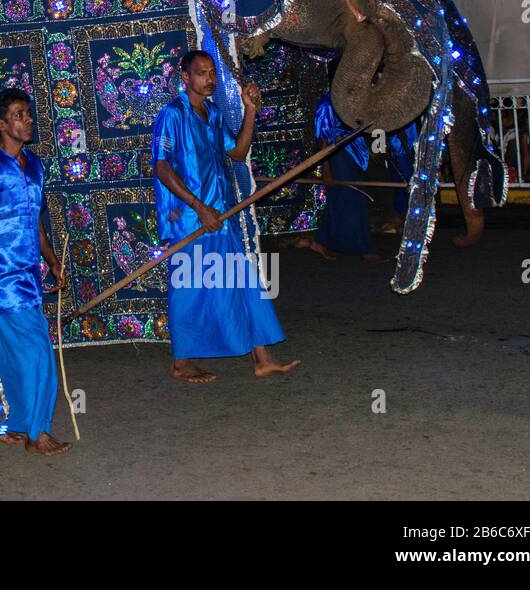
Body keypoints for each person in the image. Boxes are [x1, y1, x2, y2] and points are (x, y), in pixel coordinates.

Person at [151, 50, 299, 384]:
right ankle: (181, 363)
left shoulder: (214, 114)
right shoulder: (172, 115)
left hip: (219, 213)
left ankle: (262, 358)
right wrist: (197, 207)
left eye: (211, 72)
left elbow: (238, 152)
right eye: (200, 73)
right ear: (185, 77)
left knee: (243, 281)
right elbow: (161, 166)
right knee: (190, 289)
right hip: (189, 217)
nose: (209, 78)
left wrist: (250, 112)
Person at [0, 89, 70, 455]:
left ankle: (8, 423)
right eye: (18, 114)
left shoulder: (36, 165)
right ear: (1, 124)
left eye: (28, 113)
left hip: (28, 273)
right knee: (37, 352)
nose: (28, 120)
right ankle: (37, 432)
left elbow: (36, 220)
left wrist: (52, 259)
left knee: (8, 353)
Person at [310, 92, 387, 263]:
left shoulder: (356, 97)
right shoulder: (328, 101)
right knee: (350, 200)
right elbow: (323, 138)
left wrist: (374, 148)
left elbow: (369, 125)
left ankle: (320, 241)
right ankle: (365, 249)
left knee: (345, 200)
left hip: (356, 154)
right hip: (338, 155)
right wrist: (326, 169)